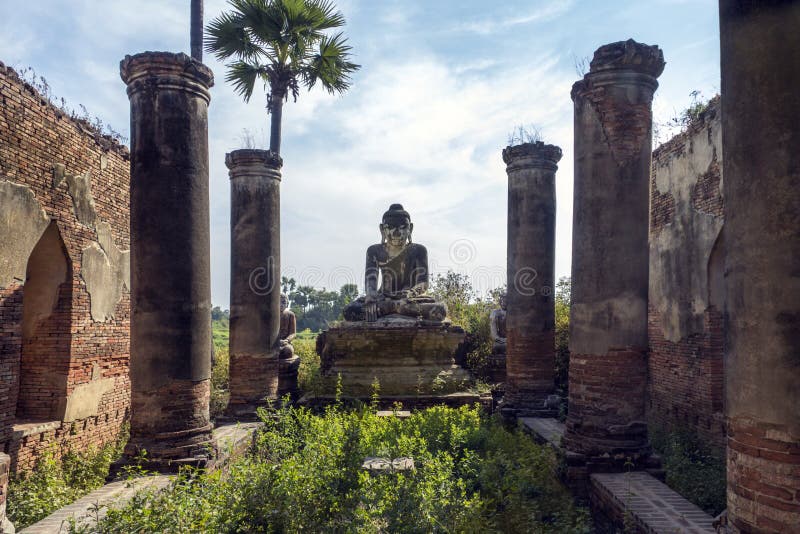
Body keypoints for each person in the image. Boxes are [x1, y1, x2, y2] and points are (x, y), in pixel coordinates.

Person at [343, 204, 446, 322]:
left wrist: (411, 293)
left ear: (410, 229)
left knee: (439, 310)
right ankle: (397, 308)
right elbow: (370, 282)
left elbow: (423, 283)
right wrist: (371, 298)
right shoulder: (374, 251)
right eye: (390, 227)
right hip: (383, 298)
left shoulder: (418, 250)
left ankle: (394, 308)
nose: (396, 233)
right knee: (350, 310)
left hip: (409, 300)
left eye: (403, 227)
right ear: (382, 229)